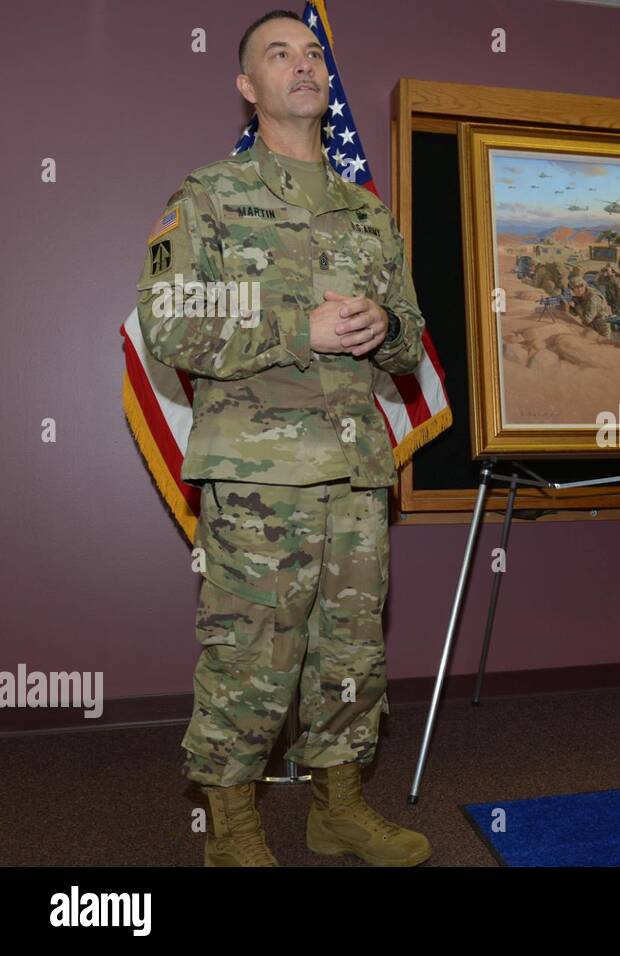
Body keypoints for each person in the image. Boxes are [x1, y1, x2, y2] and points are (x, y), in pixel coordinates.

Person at [135, 10, 432, 866]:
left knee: (350, 651)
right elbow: (172, 326)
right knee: (252, 655)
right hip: (261, 476)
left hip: (356, 473)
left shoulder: (367, 217)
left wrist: (386, 325)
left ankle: (337, 808)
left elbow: (412, 335)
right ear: (247, 86)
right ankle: (230, 833)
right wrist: (301, 327)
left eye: (312, 54)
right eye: (279, 54)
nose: (303, 66)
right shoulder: (207, 198)